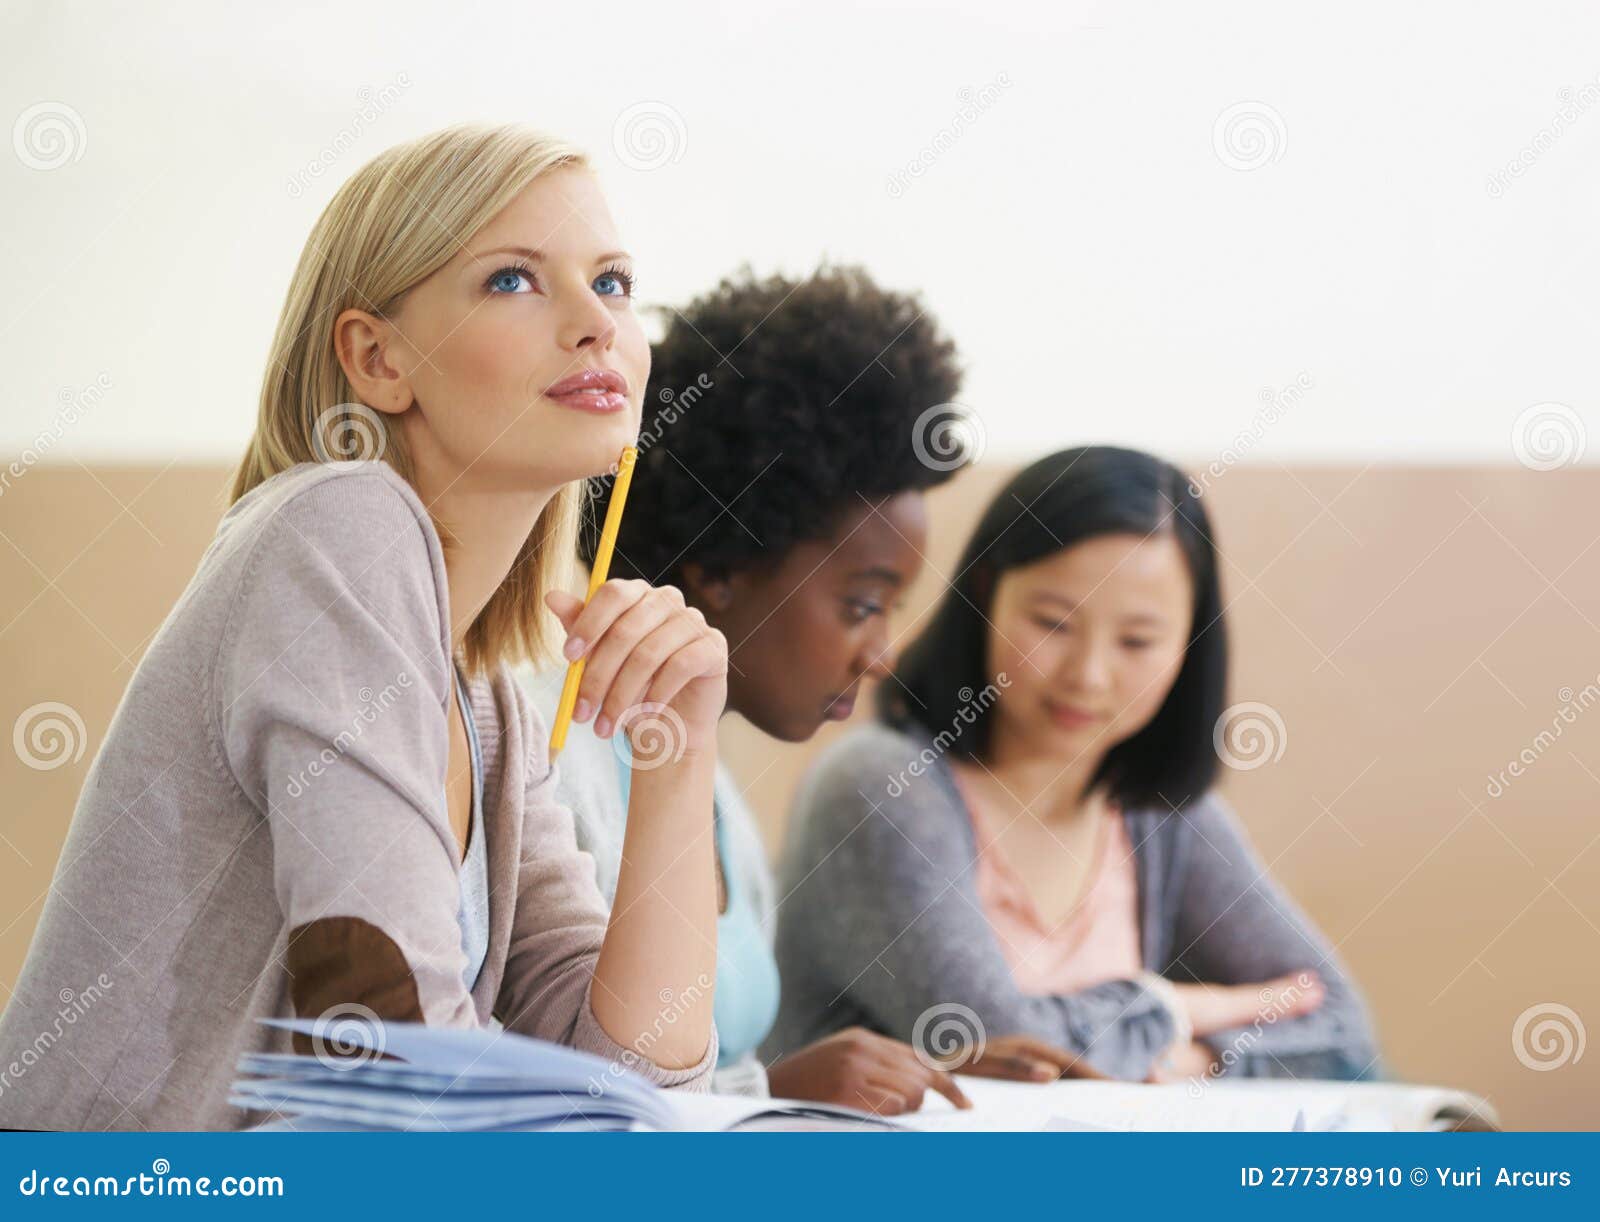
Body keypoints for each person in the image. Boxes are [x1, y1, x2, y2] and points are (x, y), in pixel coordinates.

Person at [0, 123, 729, 1130]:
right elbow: (395, 1052)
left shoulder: (489, 700)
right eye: (513, 280)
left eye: (611, 282)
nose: (596, 324)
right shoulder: (338, 522)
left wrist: (679, 757)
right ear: (378, 359)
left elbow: (635, 1080)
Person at [531, 268, 1098, 1115]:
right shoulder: (552, 759)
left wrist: (904, 1070)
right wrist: (782, 1088)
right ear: (722, 568)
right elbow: (542, 1093)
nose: (880, 655)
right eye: (862, 604)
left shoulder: (716, 799)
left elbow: (722, 1065)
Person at [768, 446, 1384, 1083]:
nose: (1088, 676)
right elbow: (1012, 1051)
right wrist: (1172, 1007)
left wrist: (1203, 1058)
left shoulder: (1161, 817)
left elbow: (1343, 1031)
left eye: (1137, 641)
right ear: (985, 594)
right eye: (1053, 623)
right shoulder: (881, 787)